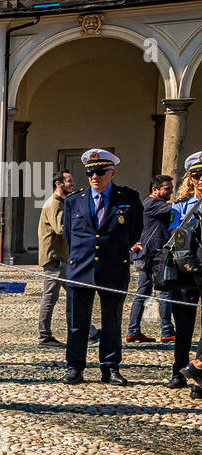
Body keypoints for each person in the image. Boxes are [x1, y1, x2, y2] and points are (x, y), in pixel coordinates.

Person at [62, 149, 144, 386]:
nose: (94, 177)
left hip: (113, 269)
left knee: (111, 321)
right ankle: (74, 367)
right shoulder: (73, 201)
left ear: (112, 172)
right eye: (90, 173)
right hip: (81, 269)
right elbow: (69, 235)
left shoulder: (128, 198)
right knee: (77, 322)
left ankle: (110, 367)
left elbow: (135, 231)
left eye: (100, 172)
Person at [167, 152, 202, 394]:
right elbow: (172, 236)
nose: (200, 180)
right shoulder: (180, 206)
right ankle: (179, 370)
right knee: (183, 324)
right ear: (190, 178)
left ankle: (199, 375)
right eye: (196, 175)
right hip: (185, 271)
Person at [126, 174, 176, 343]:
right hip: (152, 255)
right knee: (165, 290)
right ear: (155, 190)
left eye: (171, 188)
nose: (170, 191)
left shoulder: (152, 203)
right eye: (167, 189)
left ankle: (133, 330)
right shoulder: (154, 203)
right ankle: (167, 331)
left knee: (144, 292)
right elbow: (177, 209)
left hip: (148, 254)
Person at [38, 171, 76, 346]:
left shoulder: (62, 202)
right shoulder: (54, 204)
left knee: (76, 293)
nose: (72, 184)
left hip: (61, 257)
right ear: (58, 184)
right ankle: (44, 336)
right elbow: (60, 229)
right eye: (69, 181)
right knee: (50, 298)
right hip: (54, 259)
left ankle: (88, 330)